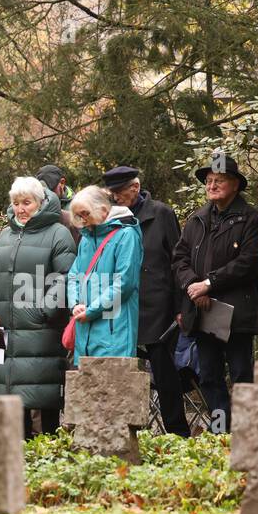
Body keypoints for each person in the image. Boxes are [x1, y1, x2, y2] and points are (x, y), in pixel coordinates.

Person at [0, 177, 78, 438]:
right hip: (6, 333)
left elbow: (65, 276)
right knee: (12, 398)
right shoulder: (6, 236)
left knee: (44, 396)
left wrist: (43, 312)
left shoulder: (58, 233)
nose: (21, 208)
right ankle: (20, 458)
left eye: (27, 202)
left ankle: (49, 457)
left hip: (42, 331)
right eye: (16, 203)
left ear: (41, 202)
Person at [173, 156, 258, 430]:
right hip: (202, 312)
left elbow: (248, 263)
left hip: (236, 313)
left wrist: (209, 284)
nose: (212, 185)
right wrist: (194, 285)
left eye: (219, 180)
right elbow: (179, 258)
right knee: (209, 376)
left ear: (235, 185)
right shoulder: (197, 219)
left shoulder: (251, 219)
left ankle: (247, 435)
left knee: (241, 376)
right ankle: (220, 434)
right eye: (209, 181)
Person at [103, 165, 188, 436]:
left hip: (158, 308)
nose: (115, 197)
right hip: (122, 307)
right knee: (121, 373)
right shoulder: (109, 217)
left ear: (135, 188)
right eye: (111, 192)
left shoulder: (161, 213)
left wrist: (180, 308)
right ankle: (125, 434)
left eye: (119, 192)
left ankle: (177, 434)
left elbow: (178, 263)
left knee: (166, 377)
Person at [66, 185, 142, 366]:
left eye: (86, 213)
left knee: (115, 388)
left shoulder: (126, 235)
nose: (83, 220)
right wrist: (75, 304)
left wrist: (91, 311)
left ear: (102, 208)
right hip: (85, 329)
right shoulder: (86, 238)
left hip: (115, 330)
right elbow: (74, 275)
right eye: (78, 216)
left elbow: (124, 283)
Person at [37, 164, 81, 247]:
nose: (47, 194)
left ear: (62, 182)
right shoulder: (37, 205)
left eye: (51, 189)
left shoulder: (78, 205)